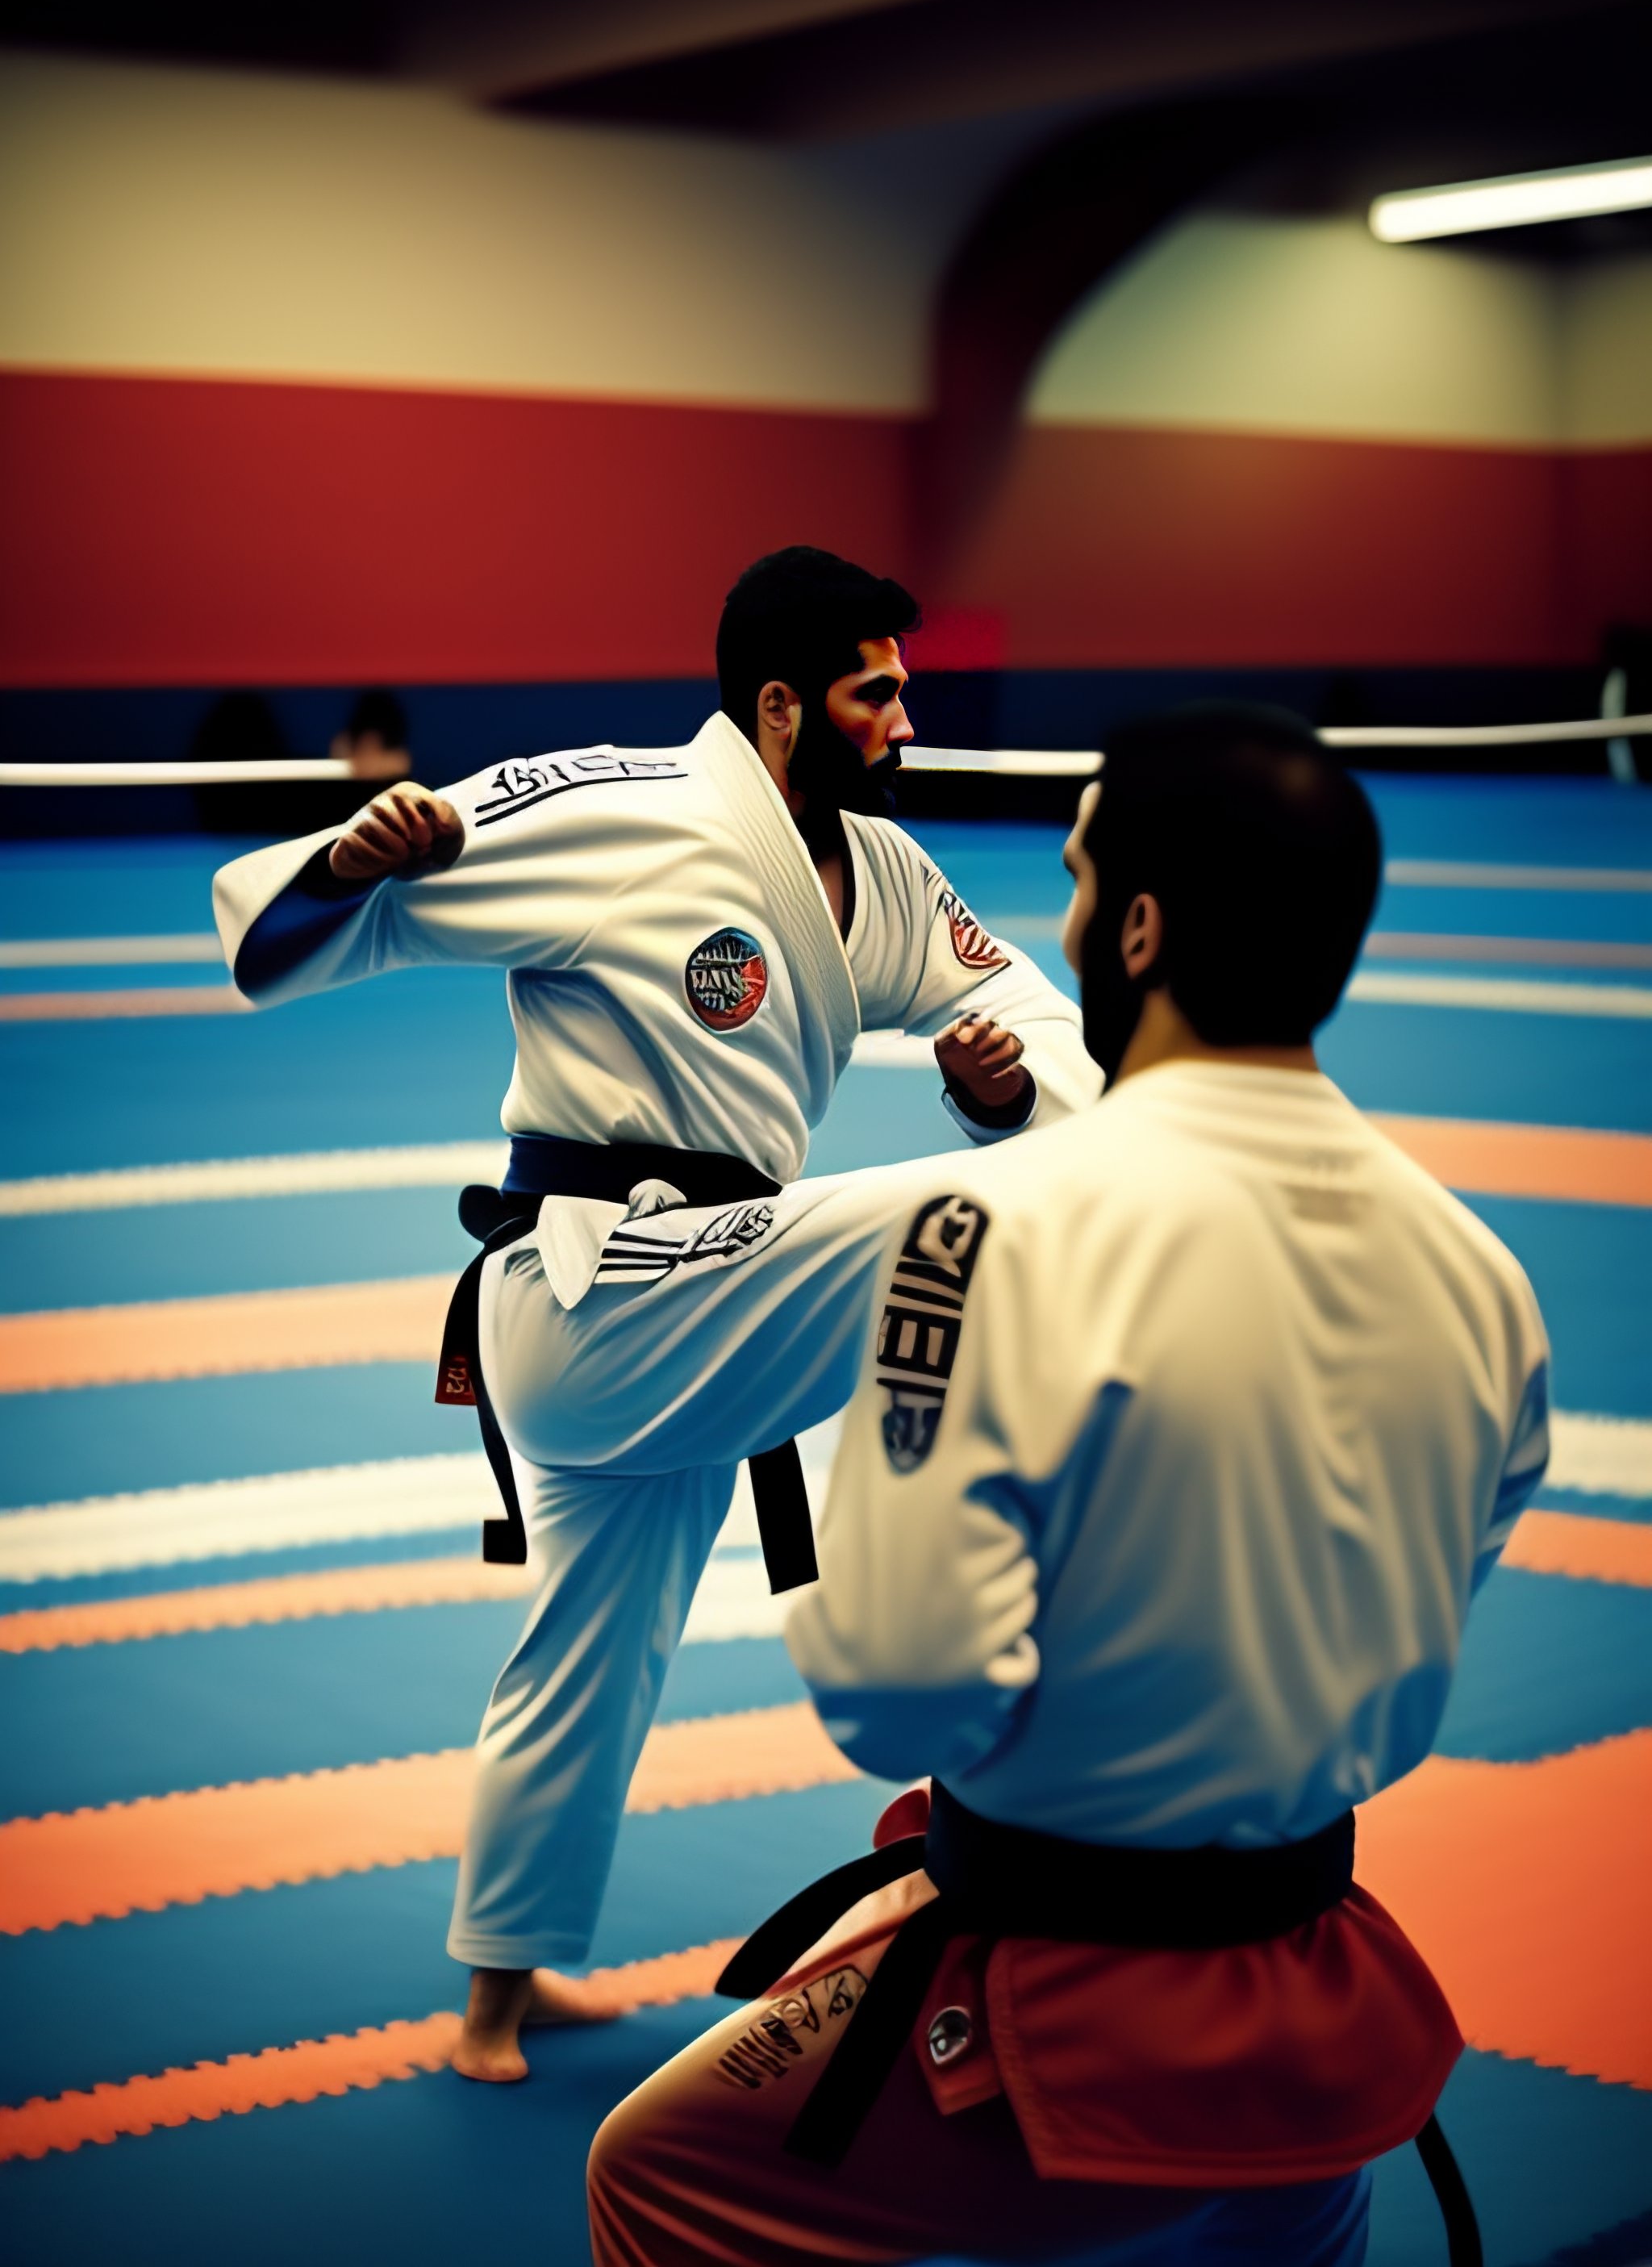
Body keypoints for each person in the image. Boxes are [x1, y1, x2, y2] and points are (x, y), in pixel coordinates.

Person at [587, 704, 1550, 2267]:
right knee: (1297, 2209)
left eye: (1082, 882)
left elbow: (895, 1692)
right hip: (1316, 1984)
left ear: (1144, 929)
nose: (1071, 920)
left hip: (1070, 2007)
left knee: (654, 2171)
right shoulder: (1482, 1279)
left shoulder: (979, 1237)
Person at [211, 547, 1100, 2085]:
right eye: (873, 691)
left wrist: (1006, 1083)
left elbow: (1019, 1000)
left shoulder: (877, 875)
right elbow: (282, 939)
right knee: (947, 1227)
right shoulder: (618, 810)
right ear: (778, 706)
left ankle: (496, 1994)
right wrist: (358, 860)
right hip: (592, 1289)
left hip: (712, 1315)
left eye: (903, 686)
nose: (905, 717)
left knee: (590, 1656)